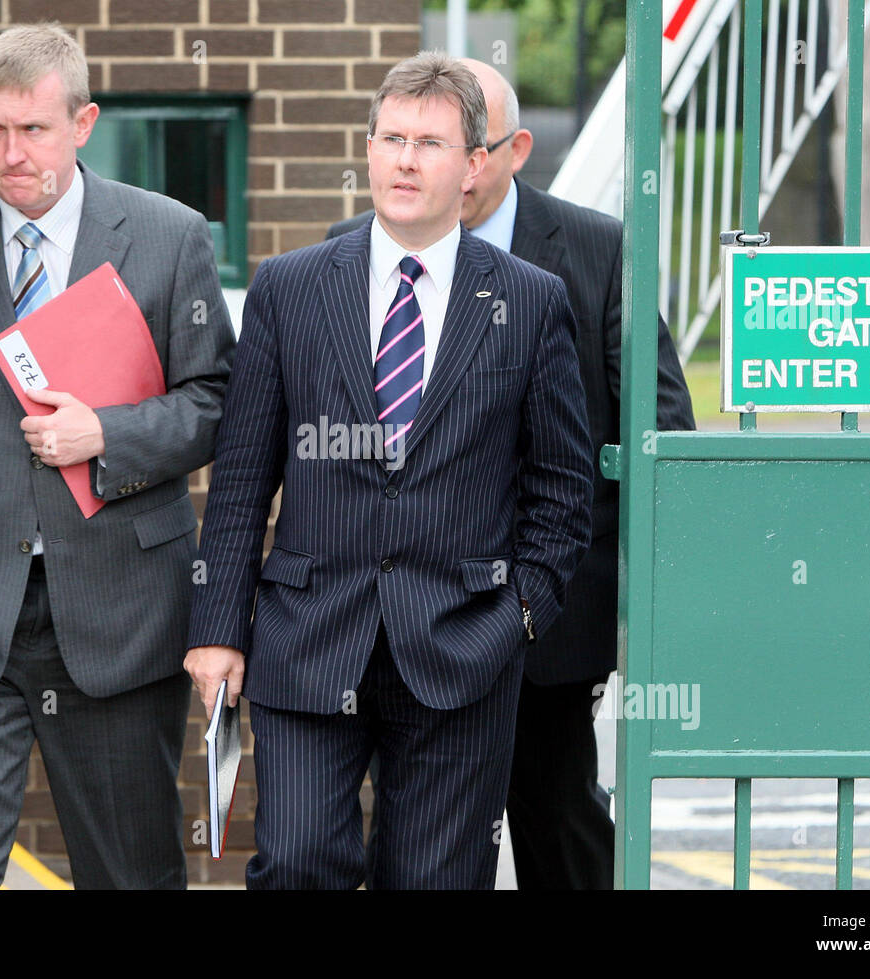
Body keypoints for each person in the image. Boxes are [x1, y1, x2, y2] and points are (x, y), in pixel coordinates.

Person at [183, 51, 594, 890]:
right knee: (297, 864)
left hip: (461, 647)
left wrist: (514, 617)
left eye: (431, 144)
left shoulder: (530, 300)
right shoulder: (288, 288)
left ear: (475, 166)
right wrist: (218, 628)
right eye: (392, 138)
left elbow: (563, 492)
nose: (406, 160)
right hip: (308, 635)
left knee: (436, 878)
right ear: (368, 148)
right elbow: (240, 477)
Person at [0, 23, 234, 889]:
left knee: (130, 874)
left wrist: (111, 434)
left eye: (33, 129)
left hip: (121, 618)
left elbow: (219, 405)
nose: (10, 154)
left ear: (84, 122)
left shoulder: (170, 237)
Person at [328, 58, 696, 889]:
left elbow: (658, 430)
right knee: (418, 838)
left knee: (555, 817)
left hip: (544, 627)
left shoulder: (598, 252)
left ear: (510, 149)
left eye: (467, 144)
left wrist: (556, 591)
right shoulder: (352, 253)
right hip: (405, 618)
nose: (444, 167)